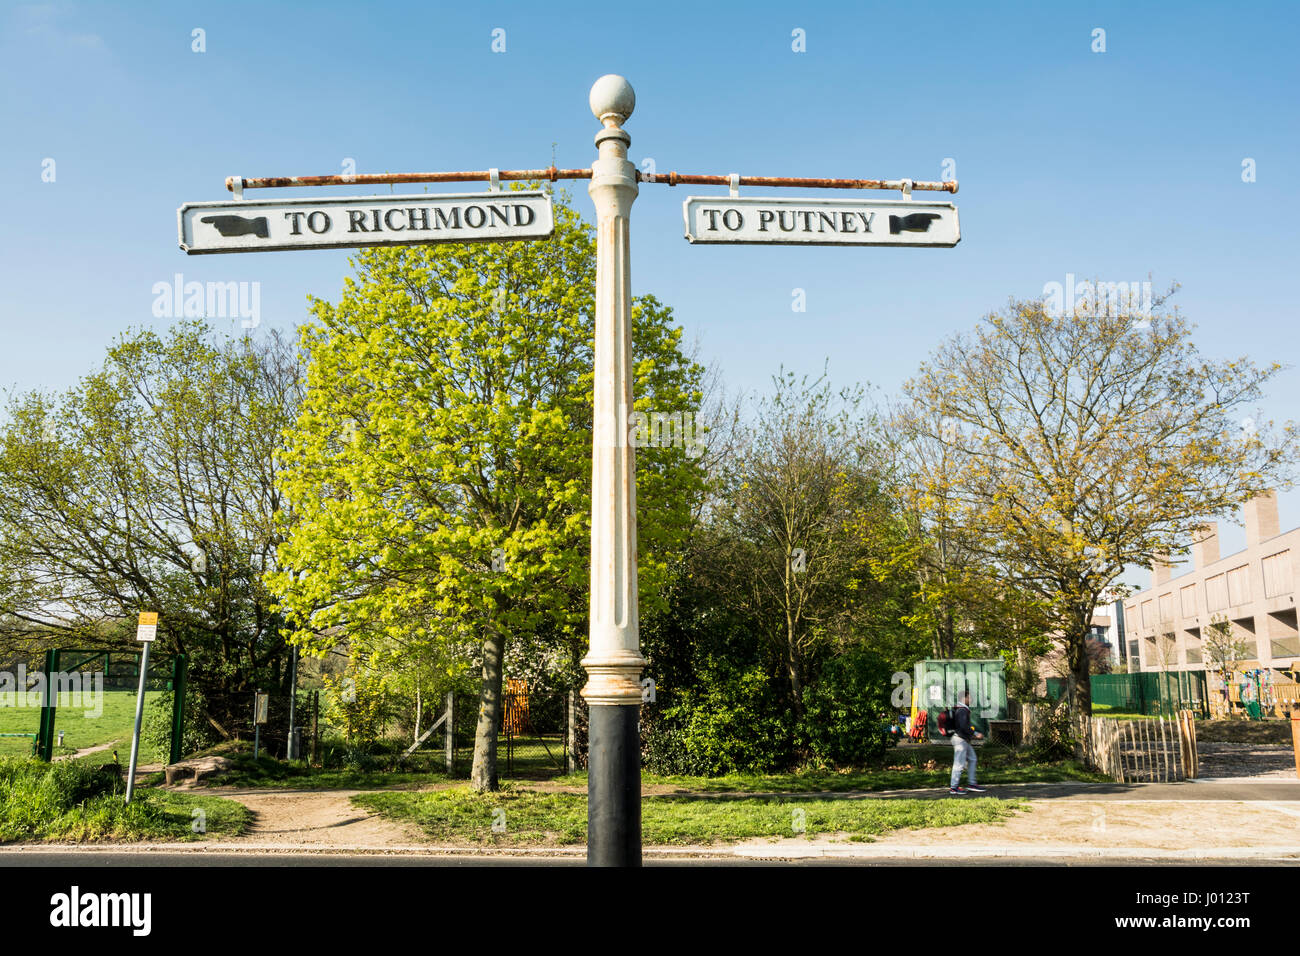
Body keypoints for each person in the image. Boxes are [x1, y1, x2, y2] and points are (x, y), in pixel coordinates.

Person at [948, 689, 986, 794]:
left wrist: (973, 733)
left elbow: (964, 726)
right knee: (959, 763)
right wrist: (975, 734)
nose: (971, 699)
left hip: (962, 738)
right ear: (963, 698)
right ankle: (954, 788)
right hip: (960, 739)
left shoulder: (960, 709)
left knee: (972, 758)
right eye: (969, 697)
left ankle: (972, 784)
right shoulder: (962, 710)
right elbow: (963, 726)